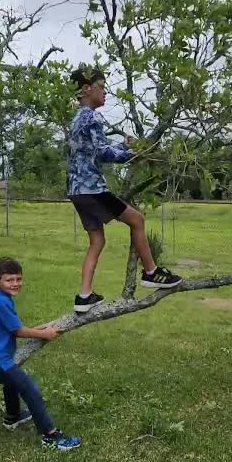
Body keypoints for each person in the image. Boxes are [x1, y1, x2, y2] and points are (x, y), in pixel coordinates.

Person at [66, 66, 183, 314]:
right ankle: (151, 272)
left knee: (97, 240)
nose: (106, 93)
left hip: (76, 190)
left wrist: (124, 145)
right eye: (102, 88)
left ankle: (84, 296)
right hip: (92, 189)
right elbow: (104, 153)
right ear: (87, 89)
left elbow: (96, 147)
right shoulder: (92, 117)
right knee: (137, 219)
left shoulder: (77, 119)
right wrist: (134, 154)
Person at [0, 256, 81, 450]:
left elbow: (13, 327)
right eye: (9, 280)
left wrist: (40, 329)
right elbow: (18, 331)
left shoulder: (1, 299)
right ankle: (50, 436)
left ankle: (13, 416)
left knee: (13, 381)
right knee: (30, 389)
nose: (15, 284)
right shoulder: (0, 302)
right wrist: (44, 334)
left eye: (18, 279)